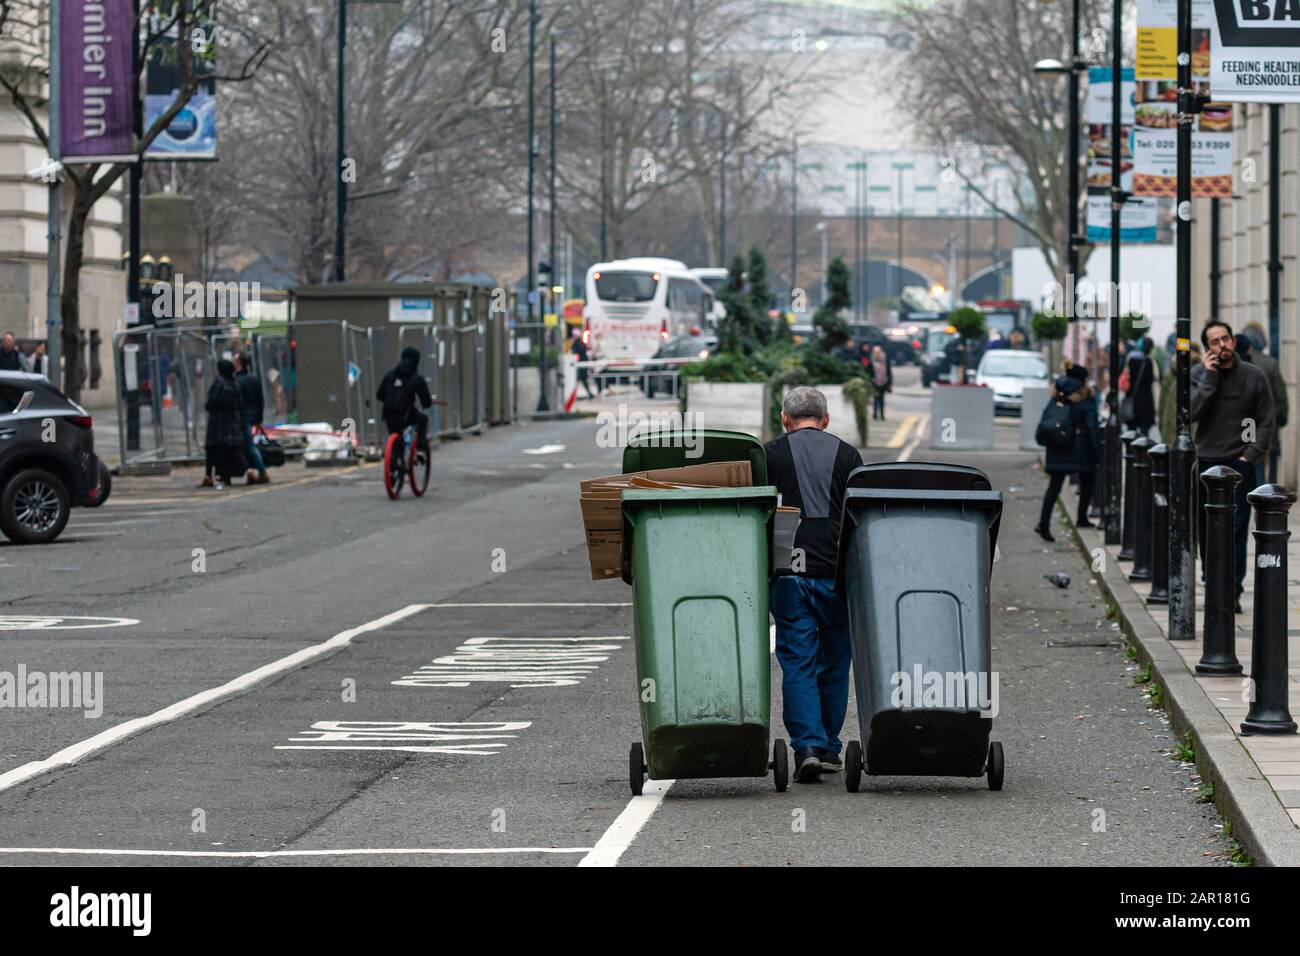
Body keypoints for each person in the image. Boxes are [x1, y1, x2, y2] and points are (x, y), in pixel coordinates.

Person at [765, 387, 863, 783]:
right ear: (825, 419)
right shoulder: (848, 455)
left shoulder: (768, 454)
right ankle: (829, 748)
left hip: (788, 573)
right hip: (837, 575)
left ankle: (805, 745)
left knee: (798, 662)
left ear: (784, 418)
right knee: (836, 661)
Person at [1192, 320, 1276, 612]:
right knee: (1206, 528)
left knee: (1237, 529)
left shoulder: (1253, 377)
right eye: (1214, 342)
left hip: (1238, 464)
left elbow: (1265, 419)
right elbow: (1191, 412)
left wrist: (1249, 455)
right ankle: (1211, 582)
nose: (1222, 345)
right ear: (1207, 349)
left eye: (1225, 338)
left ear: (1233, 341)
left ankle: (1233, 590)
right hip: (1206, 462)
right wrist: (1208, 376)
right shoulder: (1198, 375)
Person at [1034, 365, 1101, 541]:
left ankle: (1043, 523)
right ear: (1083, 380)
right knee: (1087, 480)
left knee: (1054, 487)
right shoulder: (1084, 397)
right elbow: (1092, 426)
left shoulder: (1057, 393)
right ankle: (1081, 517)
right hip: (1080, 448)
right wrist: (1097, 452)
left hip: (1056, 445)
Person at [1238, 332, 1288, 483]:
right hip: (1264, 420)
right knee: (1266, 456)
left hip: (1244, 422)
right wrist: (1281, 418)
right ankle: (1267, 490)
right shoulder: (1271, 363)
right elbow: (1281, 395)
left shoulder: (1236, 364)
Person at [377, 346, 433, 452]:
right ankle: (421, 448)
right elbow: (426, 402)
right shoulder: (417, 379)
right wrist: (425, 403)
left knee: (395, 436)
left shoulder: (390, 374)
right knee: (423, 419)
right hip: (406, 416)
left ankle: (394, 458)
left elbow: (379, 395)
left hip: (388, 416)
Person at [201, 359, 246, 490]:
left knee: (213, 450)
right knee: (230, 452)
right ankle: (227, 476)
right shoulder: (234, 383)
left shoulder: (219, 383)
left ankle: (209, 476)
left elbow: (211, 402)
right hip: (232, 424)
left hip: (218, 424)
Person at [233, 352, 269, 485]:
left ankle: (262, 471)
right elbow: (260, 401)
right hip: (253, 416)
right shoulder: (254, 379)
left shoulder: (237, 381)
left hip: (242, 417)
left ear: (239, 364)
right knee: (248, 445)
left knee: (248, 446)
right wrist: (259, 418)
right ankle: (254, 471)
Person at [1120, 336, 1157, 438]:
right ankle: (1143, 454)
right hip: (1145, 402)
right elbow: (1151, 381)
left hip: (1131, 399)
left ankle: (1130, 452)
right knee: (1144, 434)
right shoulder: (1148, 362)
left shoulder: (1130, 359)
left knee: (1131, 433)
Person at [865, 344, 892, 420]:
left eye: (878, 352)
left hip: (884, 382)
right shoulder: (871, 361)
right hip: (874, 382)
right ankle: (875, 414)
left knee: (882, 399)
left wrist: (889, 383)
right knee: (876, 398)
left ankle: (882, 415)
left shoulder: (885, 361)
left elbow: (889, 372)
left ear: (881, 352)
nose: (877, 353)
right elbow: (868, 372)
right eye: (875, 352)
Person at [571, 330, 596, 400]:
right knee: (582, 379)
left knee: (579, 379)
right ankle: (589, 393)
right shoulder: (582, 343)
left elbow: (575, 354)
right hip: (584, 363)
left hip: (580, 364)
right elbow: (585, 351)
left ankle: (574, 395)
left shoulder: (575, 343)